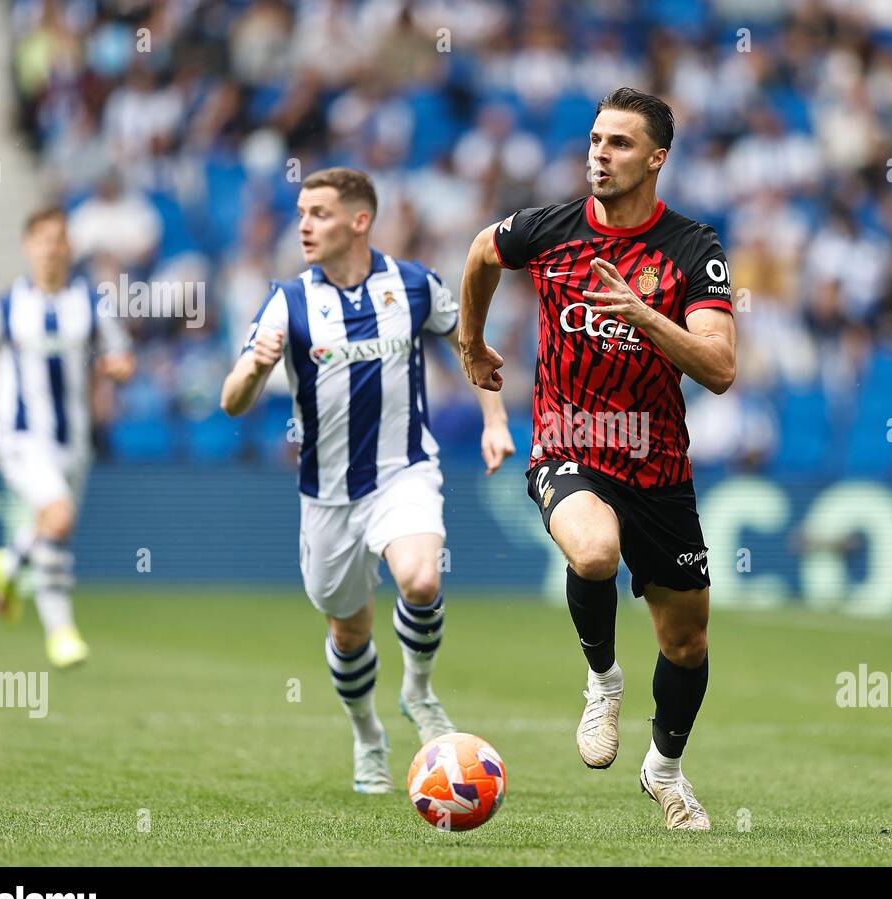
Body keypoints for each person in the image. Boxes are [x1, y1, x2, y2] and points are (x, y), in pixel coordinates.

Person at [457, 89, 736, 830]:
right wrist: (470, 342)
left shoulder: (691, 249)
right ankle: (604, 682)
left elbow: (720, 368)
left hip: (658, 464)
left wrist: (645, 316)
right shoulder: (550, 229)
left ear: (656, 158)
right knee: (593, 553)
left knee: (687, 641)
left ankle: (665, 770)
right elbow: (484, 251)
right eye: (594, 140)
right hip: (569, 443)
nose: (598, 155)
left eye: (617, 143)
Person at [220, 168, 514, 793]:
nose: (303, 224)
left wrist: (494, 420)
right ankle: (367, 736)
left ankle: (419, 688)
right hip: (326, 495)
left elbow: (471, 345)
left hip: (402, 470)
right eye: (301, 211)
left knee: (421, 577)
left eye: (319, 213)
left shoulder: (411, 286)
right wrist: (255, 370)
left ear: (359, 221)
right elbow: (231, 400)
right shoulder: (288, 300)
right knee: (348, 633)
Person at [0, 207, 136, 667]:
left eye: (59, 239)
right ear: (28, 246)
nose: (51, 248)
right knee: (57, 519)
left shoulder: (91, 305)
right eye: (42, 239)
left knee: (55, 525)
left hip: (74, 441)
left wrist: (118, 367)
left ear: (68, 248)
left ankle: (10, 562)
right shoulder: (7, 305)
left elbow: (121, 354)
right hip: (21, 436)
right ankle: (61, 633)